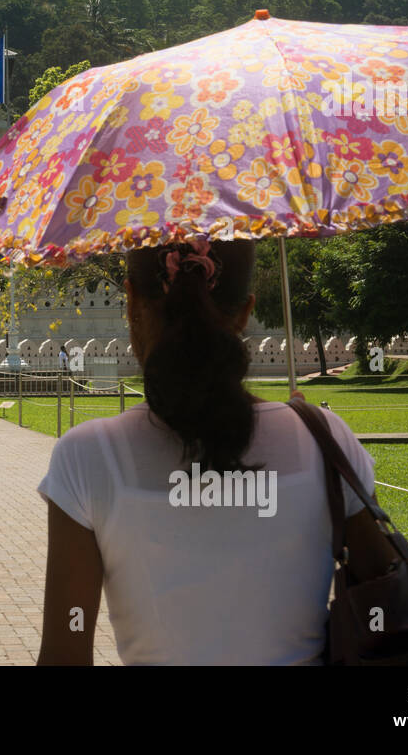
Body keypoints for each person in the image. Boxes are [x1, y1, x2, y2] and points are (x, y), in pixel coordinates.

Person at [35, 237, 382, 666]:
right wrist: (308, 437)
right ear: (245, 312)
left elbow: (65, 652)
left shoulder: (87, 457)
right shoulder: (325, 439)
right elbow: (383, 599)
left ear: (130, 302)